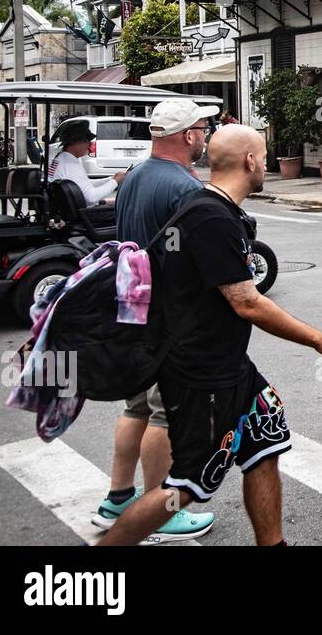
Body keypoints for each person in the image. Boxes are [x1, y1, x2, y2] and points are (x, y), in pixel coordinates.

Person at [98, 125, 322, 546]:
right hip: (203, 375)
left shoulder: (214, 210)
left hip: (231, 368)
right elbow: (246, 302)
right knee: (182, 488)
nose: (268, 162)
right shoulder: (210, 217)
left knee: (265, 442)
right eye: (265, 154)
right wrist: (319, 340)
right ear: (251, 161)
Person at [90, 100, 219, 543]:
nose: (206, 135)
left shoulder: (137, 176)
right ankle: (157, 513)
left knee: (136, 407)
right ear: (187, 136)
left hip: (132, 311)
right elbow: (196, 260)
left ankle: (118, 499)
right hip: (170, 320)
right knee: (168, 413)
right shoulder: (184, 187)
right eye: (203, 128)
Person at [48, 121, 125, 206]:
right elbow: (91, 198)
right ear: (76, 143)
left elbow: (85, 184)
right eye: (88, 141)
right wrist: (116, 181)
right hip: (84, 213)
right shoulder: (71, 165)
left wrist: (111, 178)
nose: (89, 145)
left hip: (72, 207)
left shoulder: (62, 159)